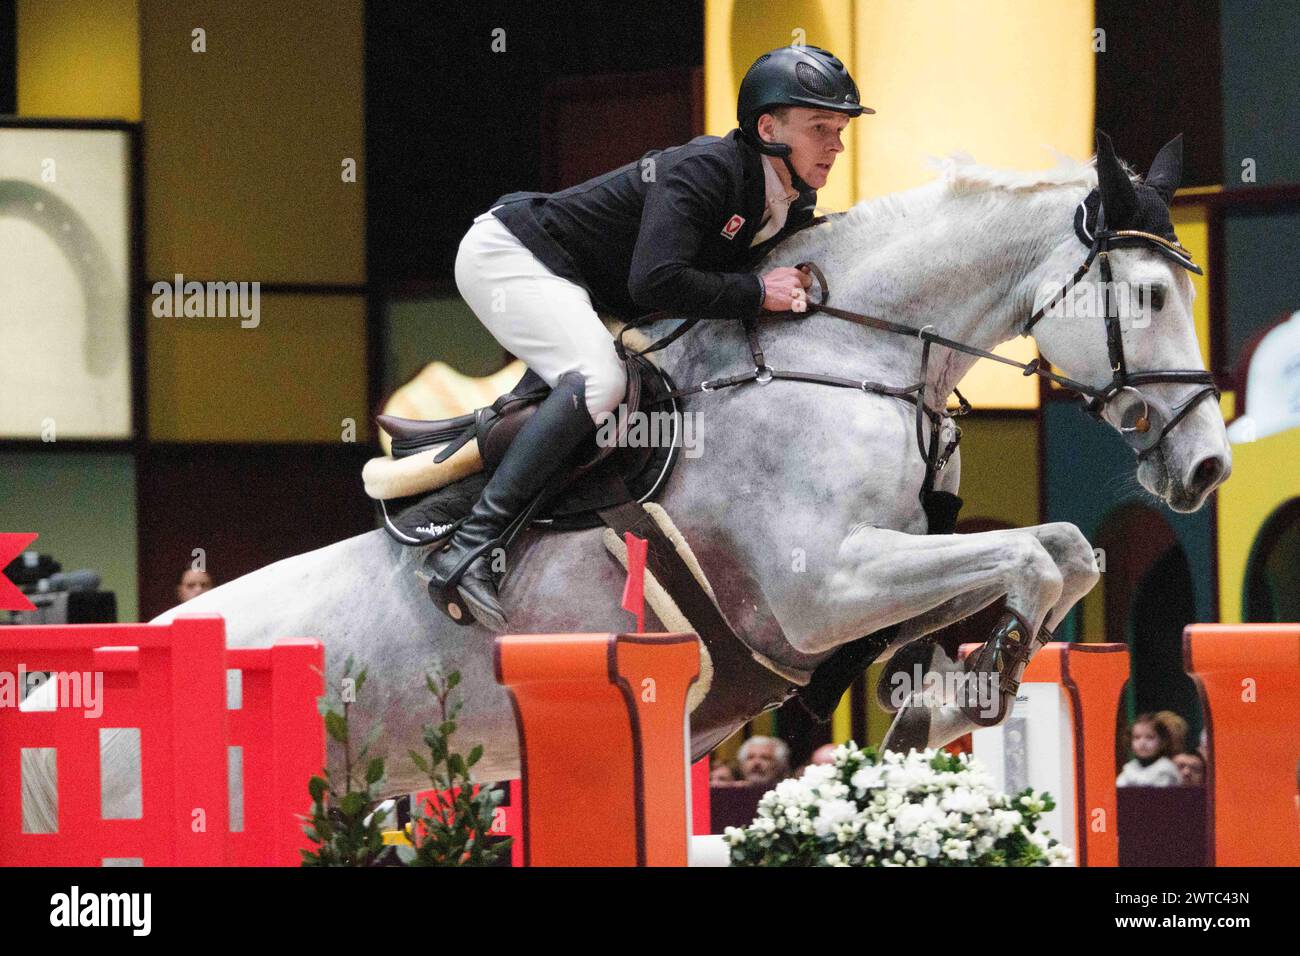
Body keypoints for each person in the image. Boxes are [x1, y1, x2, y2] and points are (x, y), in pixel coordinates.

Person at [428, 45, 872, 630]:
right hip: (513, 255)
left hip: (587, 292)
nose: (836, 145)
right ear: (768, 128)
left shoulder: (790, 202)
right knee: (600, 381)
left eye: (839, 129)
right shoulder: (708, 169)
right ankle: (469, 547)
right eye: (820, 128)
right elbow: (657, 278)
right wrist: (755, 291)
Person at [1116, 713, 1181, 787]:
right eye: (1137, 737)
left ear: (1163, 742)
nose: (1142, 743)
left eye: (1150, 737)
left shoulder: (1166, 769)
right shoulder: (1129, 768)